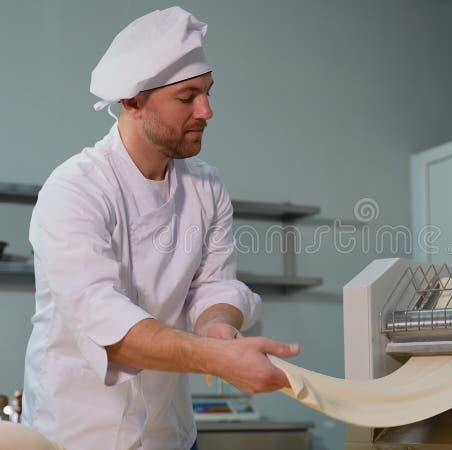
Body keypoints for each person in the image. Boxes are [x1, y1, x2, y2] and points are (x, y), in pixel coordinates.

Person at [22, 7, 300, 450]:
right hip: (79, 436)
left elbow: (213, 286)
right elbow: (105, 326)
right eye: (187, 97)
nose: (206, 111)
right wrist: (218, 358)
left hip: (170, 434)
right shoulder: (75, 190)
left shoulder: (206, 185)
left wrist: (217, 326)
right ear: (133, 102)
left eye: (208, 93)